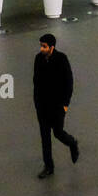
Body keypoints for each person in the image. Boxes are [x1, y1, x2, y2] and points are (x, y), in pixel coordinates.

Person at [33, 34, 79, 178]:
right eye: (41, 45)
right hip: (42, 106)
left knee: (58, 133)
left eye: (44, 46)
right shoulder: (38, 59)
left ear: (52, 47)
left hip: (57, 106)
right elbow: (36, 81)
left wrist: (65, 105)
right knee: (45, 137)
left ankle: (72, 143)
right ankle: (48, 166)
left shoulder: (61, 59)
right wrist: (37, 103)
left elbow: (68, 83)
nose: (41, 49)